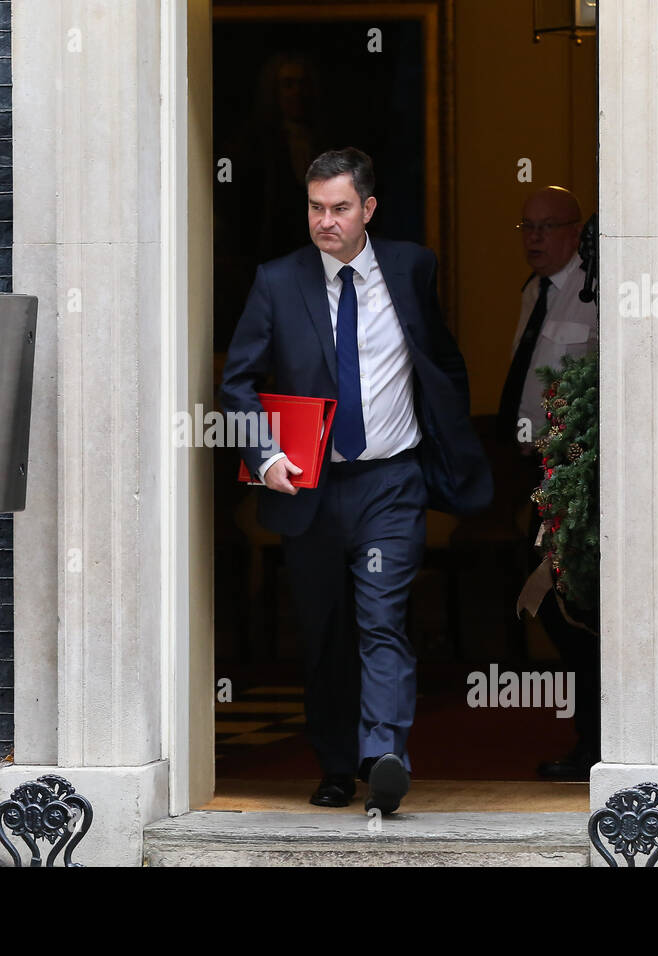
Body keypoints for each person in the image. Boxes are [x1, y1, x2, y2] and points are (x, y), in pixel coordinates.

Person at [220, 147, 492, 813]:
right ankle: (338, 766)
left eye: (340, 208)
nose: (325, 220)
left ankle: (386, 753)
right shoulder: (277, 282)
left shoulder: (410, 267)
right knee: (325, 635)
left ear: (368, 209)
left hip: (391, 483)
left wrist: (442, 436)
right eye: (315, 207)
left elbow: (440, 360)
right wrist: (266, 457)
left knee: (382, 619)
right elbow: (238, 383)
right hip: (309, 488)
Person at [497, 185, 600, 780]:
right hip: (528, 466)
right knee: (551, 602)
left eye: (547, 227)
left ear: (575, 231)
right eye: (526, 227)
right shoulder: (533, 292)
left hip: (572, 469)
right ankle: (590, 740)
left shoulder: (592, 292)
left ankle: (597, 744)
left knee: (570, 606)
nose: (534, 238)